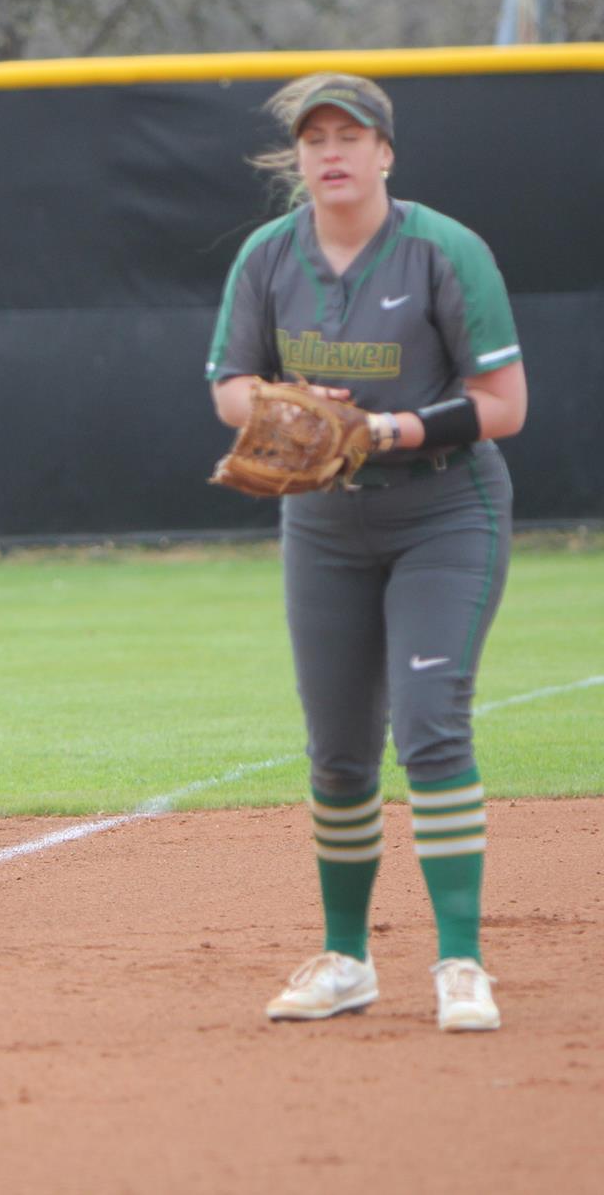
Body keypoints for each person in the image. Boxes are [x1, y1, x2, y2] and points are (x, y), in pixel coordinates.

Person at [205, 73, 528, 1031]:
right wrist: (289, 413)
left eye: (352, 135)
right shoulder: (271, 255)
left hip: (444, 515)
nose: (332, 152)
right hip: (323, 523)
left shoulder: (443, 252)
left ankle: (461, 962)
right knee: (340, 753)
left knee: (430, 725)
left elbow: (506, 406)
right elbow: (229, 386)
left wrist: (384, 429)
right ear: (297, 158)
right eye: (315, 139)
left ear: (386, 152)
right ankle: (347, 958)